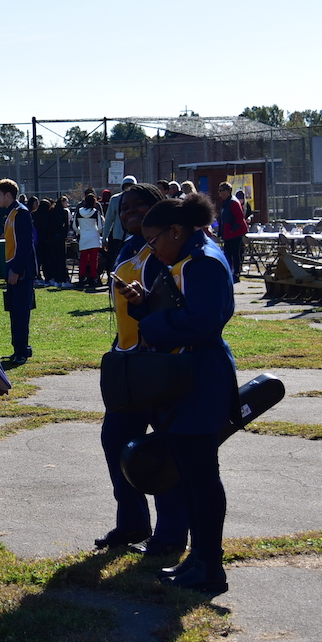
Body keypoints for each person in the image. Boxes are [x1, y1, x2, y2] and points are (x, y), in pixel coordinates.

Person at [120, 194, 236, 594]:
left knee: (201, 478)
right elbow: (175, 309)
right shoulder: (189, 257)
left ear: (176, 230)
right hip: (188, 375)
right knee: (190, 474)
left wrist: (150, 327)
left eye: (153, 241)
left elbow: (201, 322)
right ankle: (199, 559)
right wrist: (143, 307)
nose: (150, 249)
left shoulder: (202, 261)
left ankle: (210, 565)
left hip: (201, 377)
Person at [95, 181, 187, 556]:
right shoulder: (131, 246)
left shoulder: (167, 248)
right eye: (124, 208)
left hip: (163, 365)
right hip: (129, 363)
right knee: (115, 440)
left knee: (163, 452)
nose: (129, 212)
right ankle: (132, 522)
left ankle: (169, 536)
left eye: (139, 206)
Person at [0, 179, 35, 367]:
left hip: (21, 271)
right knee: (14, 311)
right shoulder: (10, 213)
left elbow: (26, 245)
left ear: (8, 195)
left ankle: (21, 351)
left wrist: (17, 270)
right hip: (12, 266)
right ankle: (19, 348)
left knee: (20, 312)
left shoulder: (21, 213)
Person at [213, 182, 248, 283]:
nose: (219, 193)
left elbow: (239, 219)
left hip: (235, 233)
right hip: (228, 234)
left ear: (227, 191)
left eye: (221, 191)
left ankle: (236, 274)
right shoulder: (225, 203)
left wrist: (232, 229)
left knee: (234, 253)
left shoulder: (233, 202)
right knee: (227, 253)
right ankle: (229, 272)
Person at [102, 176, 134, 268]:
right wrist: (105, 238)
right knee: (116, 263)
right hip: (119, 237)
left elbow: (109, 220)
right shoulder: (115, 199)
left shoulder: (137, 200)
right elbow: (109, 219)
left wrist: (105, 238)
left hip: (129, 236)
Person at [75, 190, 104, 291]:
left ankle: (81, 279)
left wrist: (81, 231)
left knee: (83, 260)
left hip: (84, 237)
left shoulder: (79, 211)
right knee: (93, 260)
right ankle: (92, 278)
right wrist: (95, 231)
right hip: (94, 238)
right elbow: (100, 228)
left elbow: (74, 226)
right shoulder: (96, 213)